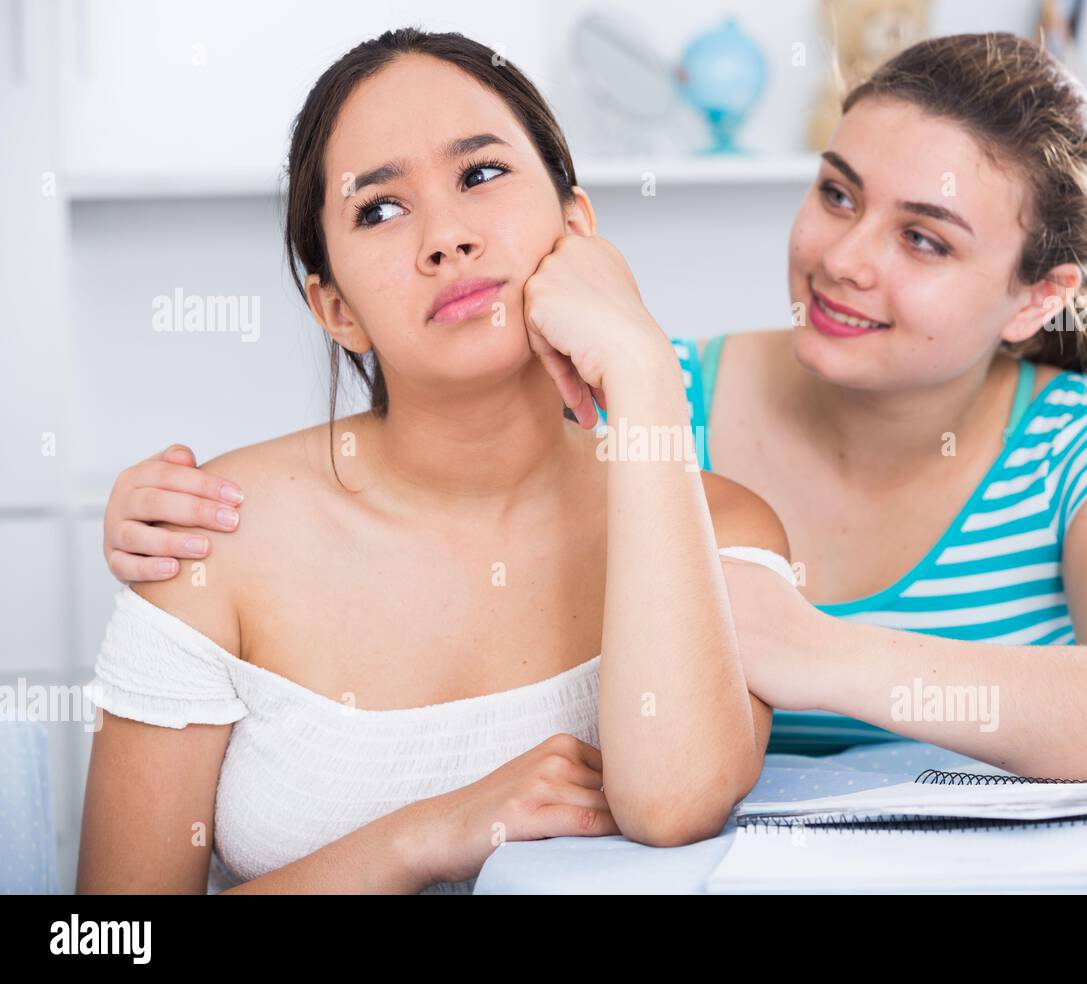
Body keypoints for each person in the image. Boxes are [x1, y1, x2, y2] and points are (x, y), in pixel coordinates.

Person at [100, 33, 1087, 782]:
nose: (841, 258)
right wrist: (183, 525)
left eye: (922, 238)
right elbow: (439, 502)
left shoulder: (1083, 444)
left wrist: (810, 654)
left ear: (1037, 297)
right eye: (835, 193)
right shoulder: (637, 401)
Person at [77, 28, 792, 895]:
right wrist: (425, 835)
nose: (445, 238)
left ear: (577, 229)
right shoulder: (203, 542)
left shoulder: (728, 536)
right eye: (380, 209)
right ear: (335, 309)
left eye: (481, 175)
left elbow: (674, 803)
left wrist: (642, 374)